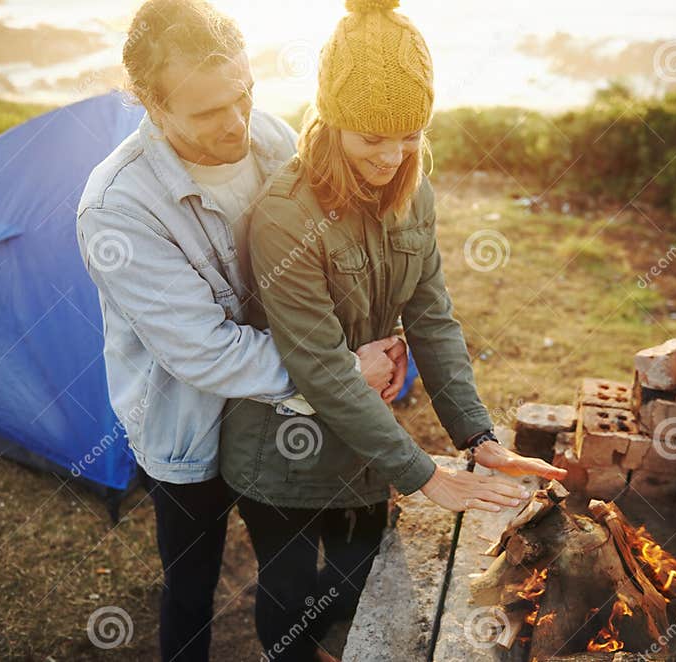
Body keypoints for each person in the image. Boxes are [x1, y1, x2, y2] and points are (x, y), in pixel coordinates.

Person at [219, 1, 567, 660]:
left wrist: (477, 433)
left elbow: (432, 315)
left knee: (357, 580)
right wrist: (421, 473)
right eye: (371, 136)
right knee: (289, 599)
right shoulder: (285, 216)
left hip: (362, 450)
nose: (392, 154)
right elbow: (320, 366)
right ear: (331, 120)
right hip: (279, 454)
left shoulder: (415, 190)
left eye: (408, 134)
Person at [75, 2, 408, 660]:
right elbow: (205, 353)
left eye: (243, 95)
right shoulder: (116, 207)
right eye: (206, 112)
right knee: (190, 588)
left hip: (277, 421)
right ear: (149, 102)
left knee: (293, 572)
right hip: (187, 426)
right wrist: (341, 374)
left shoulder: (276, 140)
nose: (235, 124)